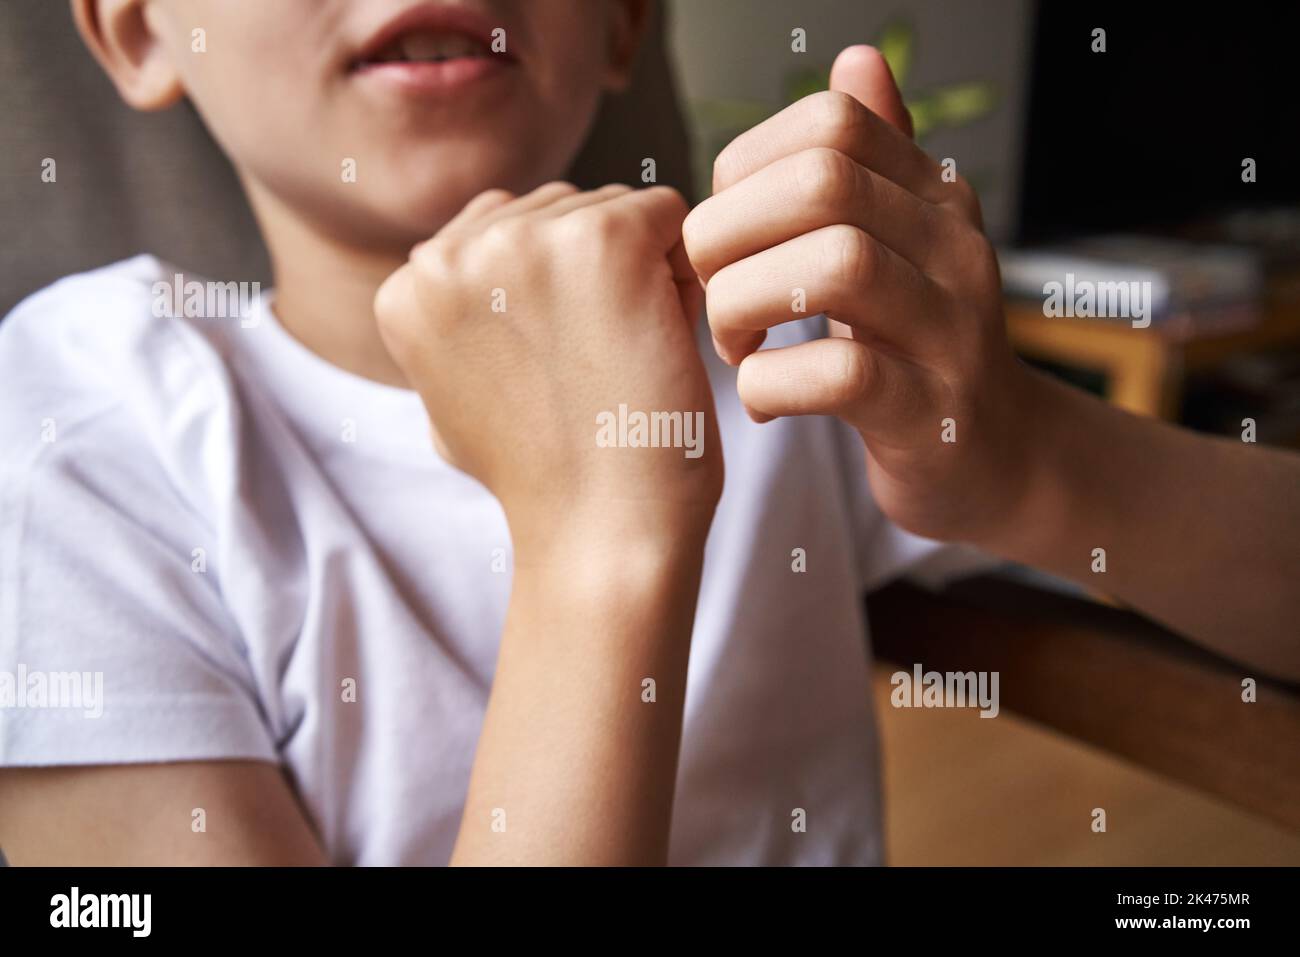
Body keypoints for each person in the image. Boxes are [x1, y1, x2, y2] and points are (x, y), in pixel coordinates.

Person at [0, 0, 1296, 866]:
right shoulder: (84, 430)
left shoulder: (785, 330)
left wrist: (1026, 459)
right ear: (137, 29)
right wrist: (598, 540)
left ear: (623, 21)